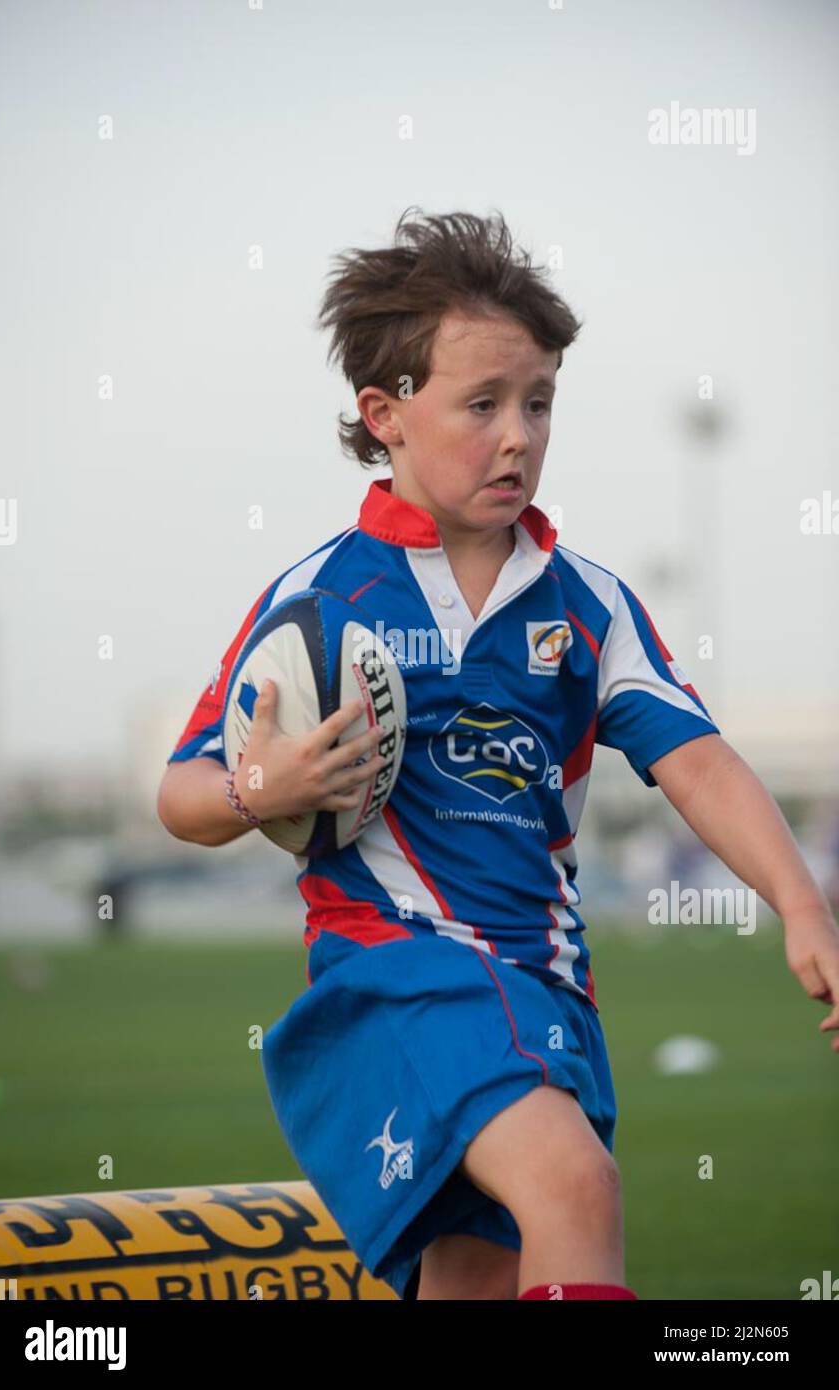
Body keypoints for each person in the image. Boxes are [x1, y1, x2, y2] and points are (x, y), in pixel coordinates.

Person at [157, 208, 839, 1301]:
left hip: (550, 990)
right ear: (387, 416)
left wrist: (801, 906)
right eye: (482, 405)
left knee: (482, 1272)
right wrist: (260, 786)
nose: (518, 433)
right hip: (397, 980)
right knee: (577, 1188)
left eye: (538, 402)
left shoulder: (586, 602)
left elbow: (700, 763)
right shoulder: (320, 600)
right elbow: (182, 794)